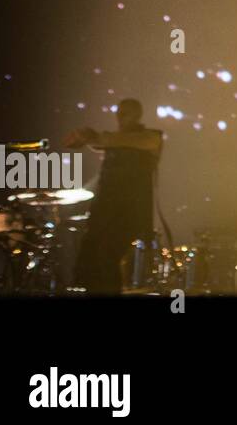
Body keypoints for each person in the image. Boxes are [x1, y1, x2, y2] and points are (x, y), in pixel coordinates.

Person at [64, 98, 163, 293]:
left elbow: (110, 140)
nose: (119, 117)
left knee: (108, 255)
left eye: (125, 113)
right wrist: (85, 138)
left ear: (137, 115)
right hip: (104, 211)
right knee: (90, 260)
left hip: (129, 212)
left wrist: (92, 137)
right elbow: (100, 142)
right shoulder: (114, 140)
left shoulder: (149, 138)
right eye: (118, 112)